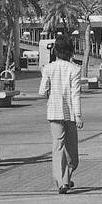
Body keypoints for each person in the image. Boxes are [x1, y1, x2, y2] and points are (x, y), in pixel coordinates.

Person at [39, 35, 83, 194]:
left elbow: (42, 91)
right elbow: (75, 94)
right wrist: (78, 115)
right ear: (71, 51)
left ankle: (63, 180)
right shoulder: (75, 69)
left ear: (56, 51)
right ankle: (65, 178)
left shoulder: (48, 69)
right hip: (70, 114)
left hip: (54, 112)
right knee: (72, 149)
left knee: (58, 147)